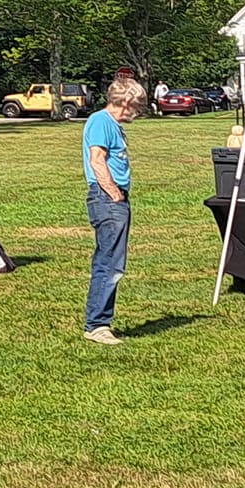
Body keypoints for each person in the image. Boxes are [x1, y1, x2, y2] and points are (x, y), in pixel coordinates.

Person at [82, 77, 145, 345]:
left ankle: (100, 322)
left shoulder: (113, 126)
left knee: (113, 262)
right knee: (109, 264)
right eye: (139, 106)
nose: (139, 112)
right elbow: (97, 160)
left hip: (113, 199)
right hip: (108, 200)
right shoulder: (101, 121)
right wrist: (115, 194)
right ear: (127, 102)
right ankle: (97, 325)